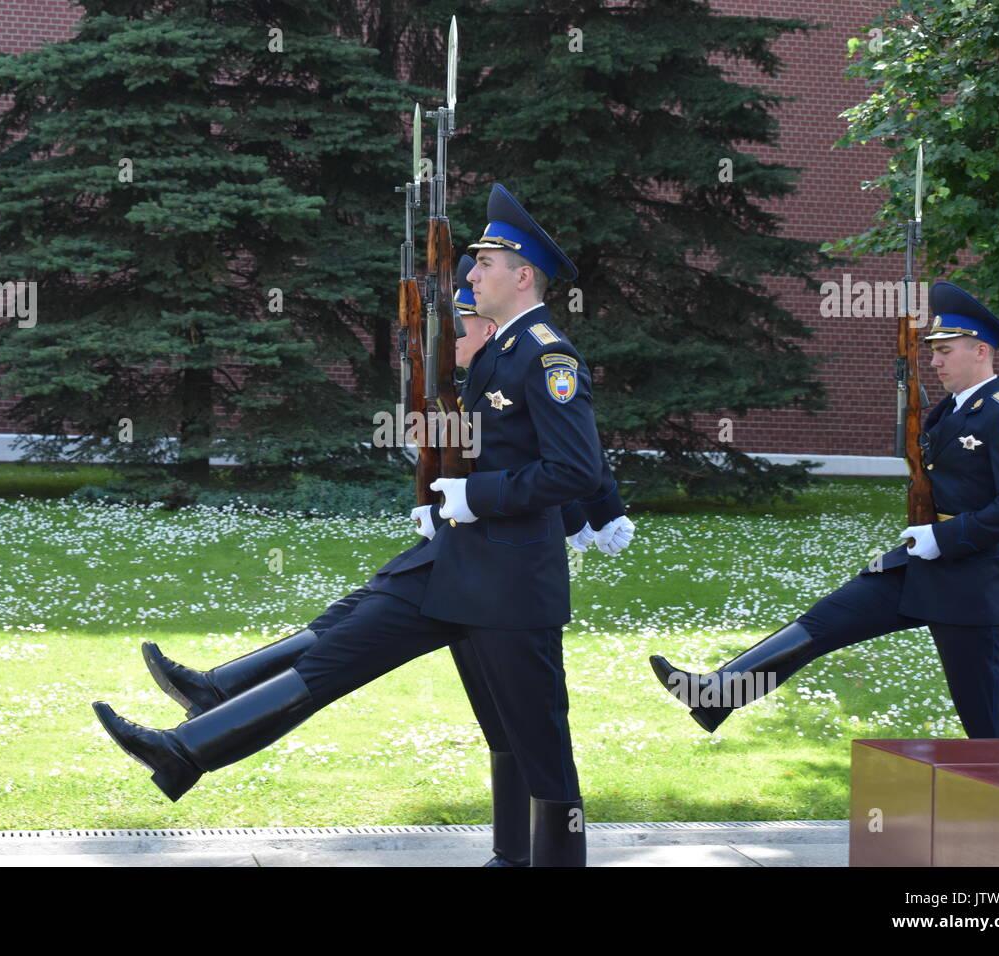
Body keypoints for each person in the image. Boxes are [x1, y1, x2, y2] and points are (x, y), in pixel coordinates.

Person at [94, 185, 631, 865]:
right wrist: (443, 497)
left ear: (522, 276)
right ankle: (186, 750)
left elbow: (575, 470)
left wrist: (478, 497)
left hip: (511, 586)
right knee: (339, 653)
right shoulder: (498, 353)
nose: (470, 275)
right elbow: (491, 447)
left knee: (535, 743)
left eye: (484, 264)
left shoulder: (548, 355)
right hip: (455, 564)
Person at [649, 281, 999, 740]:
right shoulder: (948, 412)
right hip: (917, 567)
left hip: (968, 584)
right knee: (822, 623)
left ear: (980, 352)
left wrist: (952, 538)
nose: (934, 361)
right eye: (932, 350)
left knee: (984, 723)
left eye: (945, 351)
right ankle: (718, 690)